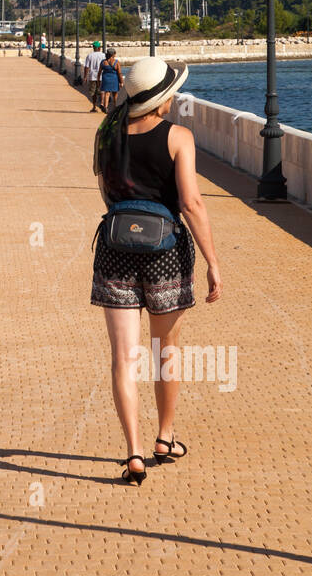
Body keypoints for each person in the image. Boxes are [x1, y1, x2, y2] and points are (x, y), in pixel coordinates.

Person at [91, 57, 222, 486]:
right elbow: (191, 204)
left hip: (115, 251)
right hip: (165, 252)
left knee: (123, 358)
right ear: (164, 98)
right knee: (165, 350)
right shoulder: (178, 137)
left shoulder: (106, 134)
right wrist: (213, 262)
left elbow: (107, 194)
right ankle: (165, 438)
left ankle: (133, 452)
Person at [98, 47, 123, 112]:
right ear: (113, 54)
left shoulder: (103, 62)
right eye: (115, 53)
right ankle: (115, 107)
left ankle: (106, 107)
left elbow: (99, 72)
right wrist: (121, 82)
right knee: (115, 94)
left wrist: (98, 80)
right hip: (114, 79)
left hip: (106, 79)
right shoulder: (116, 62)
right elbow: (119, 73)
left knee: (107, 93)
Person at [82, 40, 105, 110]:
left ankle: (94, 106)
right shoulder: (103, 55)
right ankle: (102, 103)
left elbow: (86, 67)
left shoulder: (90, 56)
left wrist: (85, 77)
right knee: (102, 90)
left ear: (94, 48)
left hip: (92, 76)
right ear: (99, 48)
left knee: (93, 93)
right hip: (101, 76)